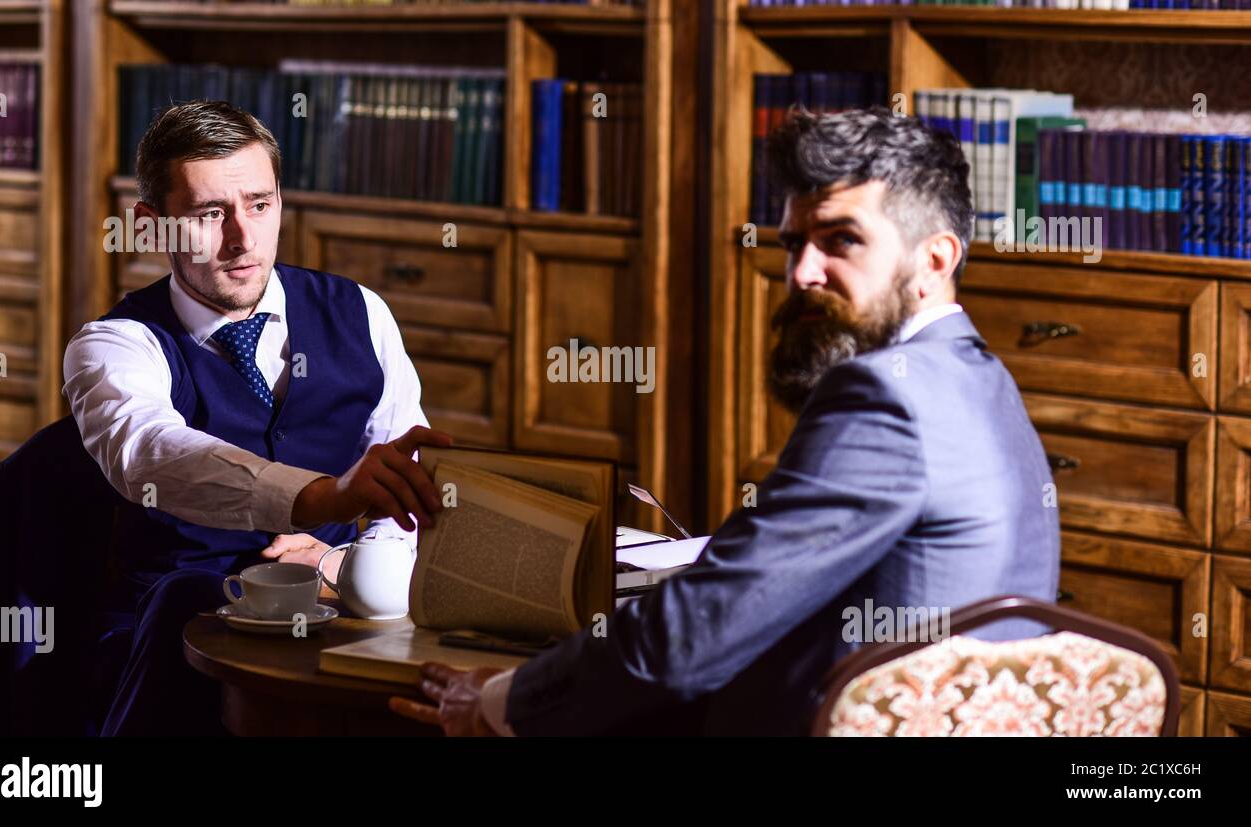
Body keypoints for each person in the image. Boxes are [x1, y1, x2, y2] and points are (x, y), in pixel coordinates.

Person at [391, 105, 1061, 736]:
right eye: (794, 243)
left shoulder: (884, 394)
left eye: (841, 241)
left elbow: (690, 638)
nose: (801, 272)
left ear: (934, 261)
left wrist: (498, 702)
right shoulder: (982, 377)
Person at [63, 100, 451, 735]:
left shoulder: (361, 312)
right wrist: (323, 498)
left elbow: (403, 499)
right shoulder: (114, 345)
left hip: (338, 607)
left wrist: (339, 566)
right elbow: (152, 450)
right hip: (177, 637)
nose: (243, 240)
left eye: (260, 205)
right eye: (209, 215)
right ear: (150, 227)